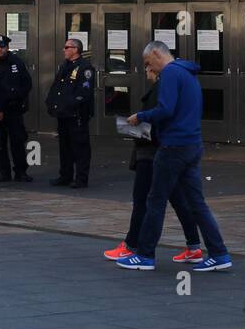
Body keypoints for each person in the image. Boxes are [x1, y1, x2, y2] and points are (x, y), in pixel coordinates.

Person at [116, 42, 231, 272]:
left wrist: (140, 116)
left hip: (173, 146)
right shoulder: (188, 73)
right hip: (192, 143)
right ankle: (219, 253)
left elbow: (166, 109)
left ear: (158, 54)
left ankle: (145, 255)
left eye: (149, 63)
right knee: (197, 203)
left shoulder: (169, 73)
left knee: (155, 201)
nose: (152, 69)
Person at [103, 63, 204, 264]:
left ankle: (133, 246)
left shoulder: (162, 88)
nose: (146, 73)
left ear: (153, 70)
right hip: (166, 150)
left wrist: (137, 121)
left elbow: (159, 117)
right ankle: (193, 245)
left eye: (147, 68)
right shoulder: (178, 84)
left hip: (152, 152)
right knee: (178, 199)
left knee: (144, 199)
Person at [46, 36, 94, 188]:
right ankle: (65, 176)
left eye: (67, 47)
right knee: (64, 147)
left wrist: (69, 105)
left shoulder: (85, 67)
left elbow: (84, 93)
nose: (64, 50)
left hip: (77, 114)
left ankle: (81, 178)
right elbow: (57, 87)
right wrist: (51, 102)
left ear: (76, 50)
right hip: (63, 114)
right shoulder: (65, 66)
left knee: (80, 147)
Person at [0, 35, 33, 182]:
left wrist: (17, 96)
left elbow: (27, 83)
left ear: (7, 47)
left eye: (2, 47)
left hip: (14, 109)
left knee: (17, 141)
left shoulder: (16, 62)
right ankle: (4, 172)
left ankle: (21, 171)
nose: (0, 49)